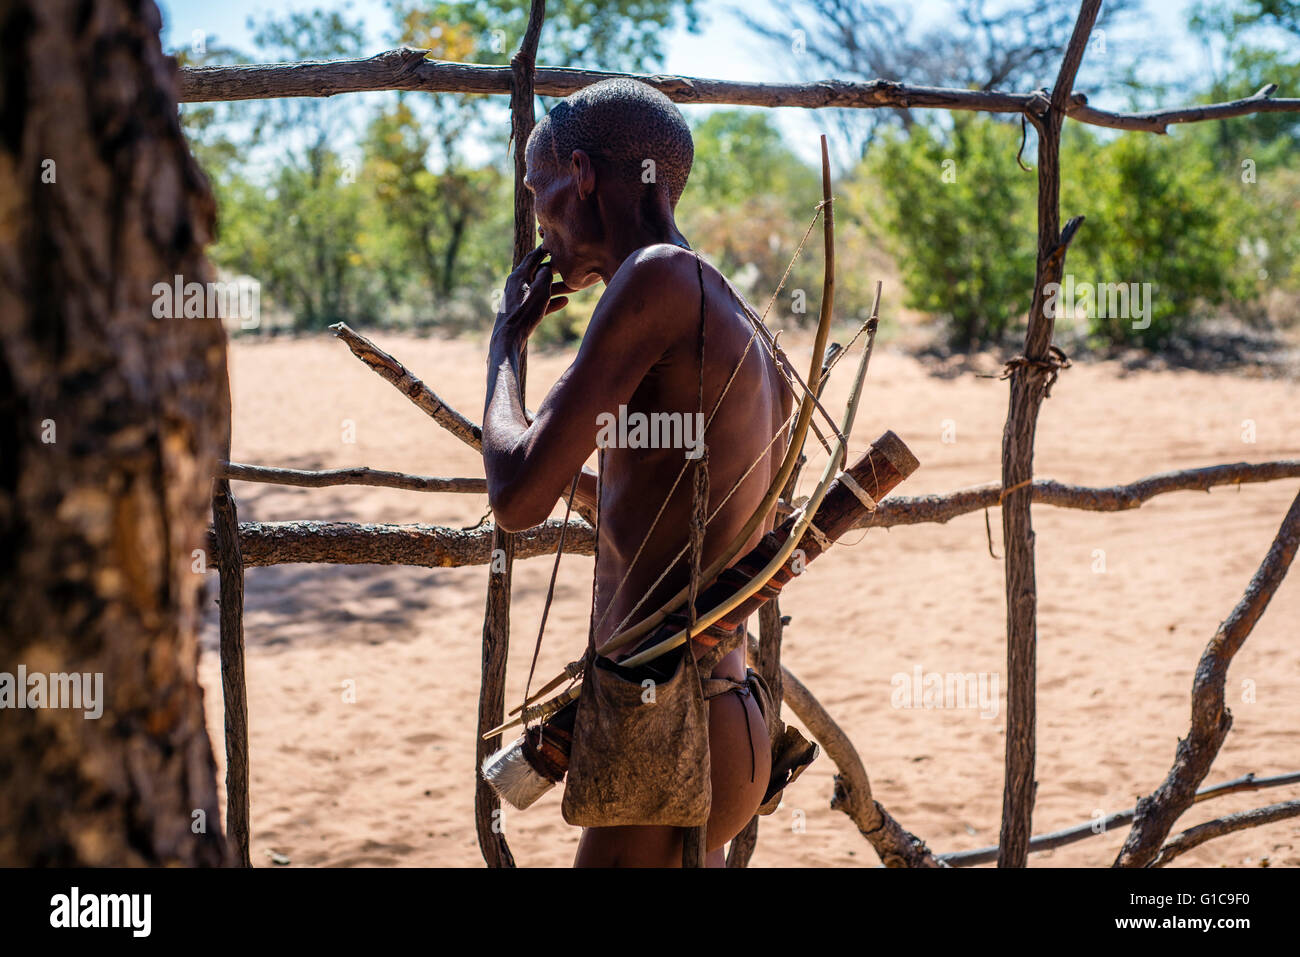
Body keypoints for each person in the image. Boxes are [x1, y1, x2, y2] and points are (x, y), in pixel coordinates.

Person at [482, 78, 791, 867]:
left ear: (581, 175)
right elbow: (693, 493)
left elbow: (516, 495)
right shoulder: (732, 312)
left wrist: (504, 353)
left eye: (537, 187)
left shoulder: (652, 280)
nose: (538, 217)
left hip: (667, 722)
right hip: (729, 708)